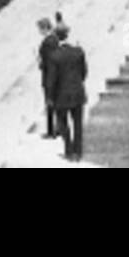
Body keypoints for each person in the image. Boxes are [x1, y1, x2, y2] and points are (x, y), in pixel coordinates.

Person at [47, 21, 87, 161]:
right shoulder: (79, 52)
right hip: (77, 93)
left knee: (63, 123)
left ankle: (69, 152)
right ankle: (78, 153)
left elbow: (51, 80)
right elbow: (83, 73)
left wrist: (50, 97)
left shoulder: (54, 56)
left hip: (61, 95)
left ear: (56, 37)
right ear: (68, 34)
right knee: (78, 124)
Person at [37, 17, 59, 139]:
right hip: (53, 75)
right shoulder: (54, 39)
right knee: (54, 104)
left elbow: (49, 61)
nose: (39, 32)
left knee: (50, 103)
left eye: (40, 29)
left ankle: (51, 132)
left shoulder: (48, 42)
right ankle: (57, 129)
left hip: (49, 77)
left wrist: (41, 63)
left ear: (45, 28)